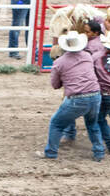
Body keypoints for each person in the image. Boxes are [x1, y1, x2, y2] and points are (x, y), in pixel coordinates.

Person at [38, 30, 105, 161]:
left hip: (77, 99)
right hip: (95, 95)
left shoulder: (59, 63)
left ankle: (51, 153)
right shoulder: (87, 56)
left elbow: (55, 85)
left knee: (56, 123)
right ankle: (99, 152)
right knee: (92, 124)